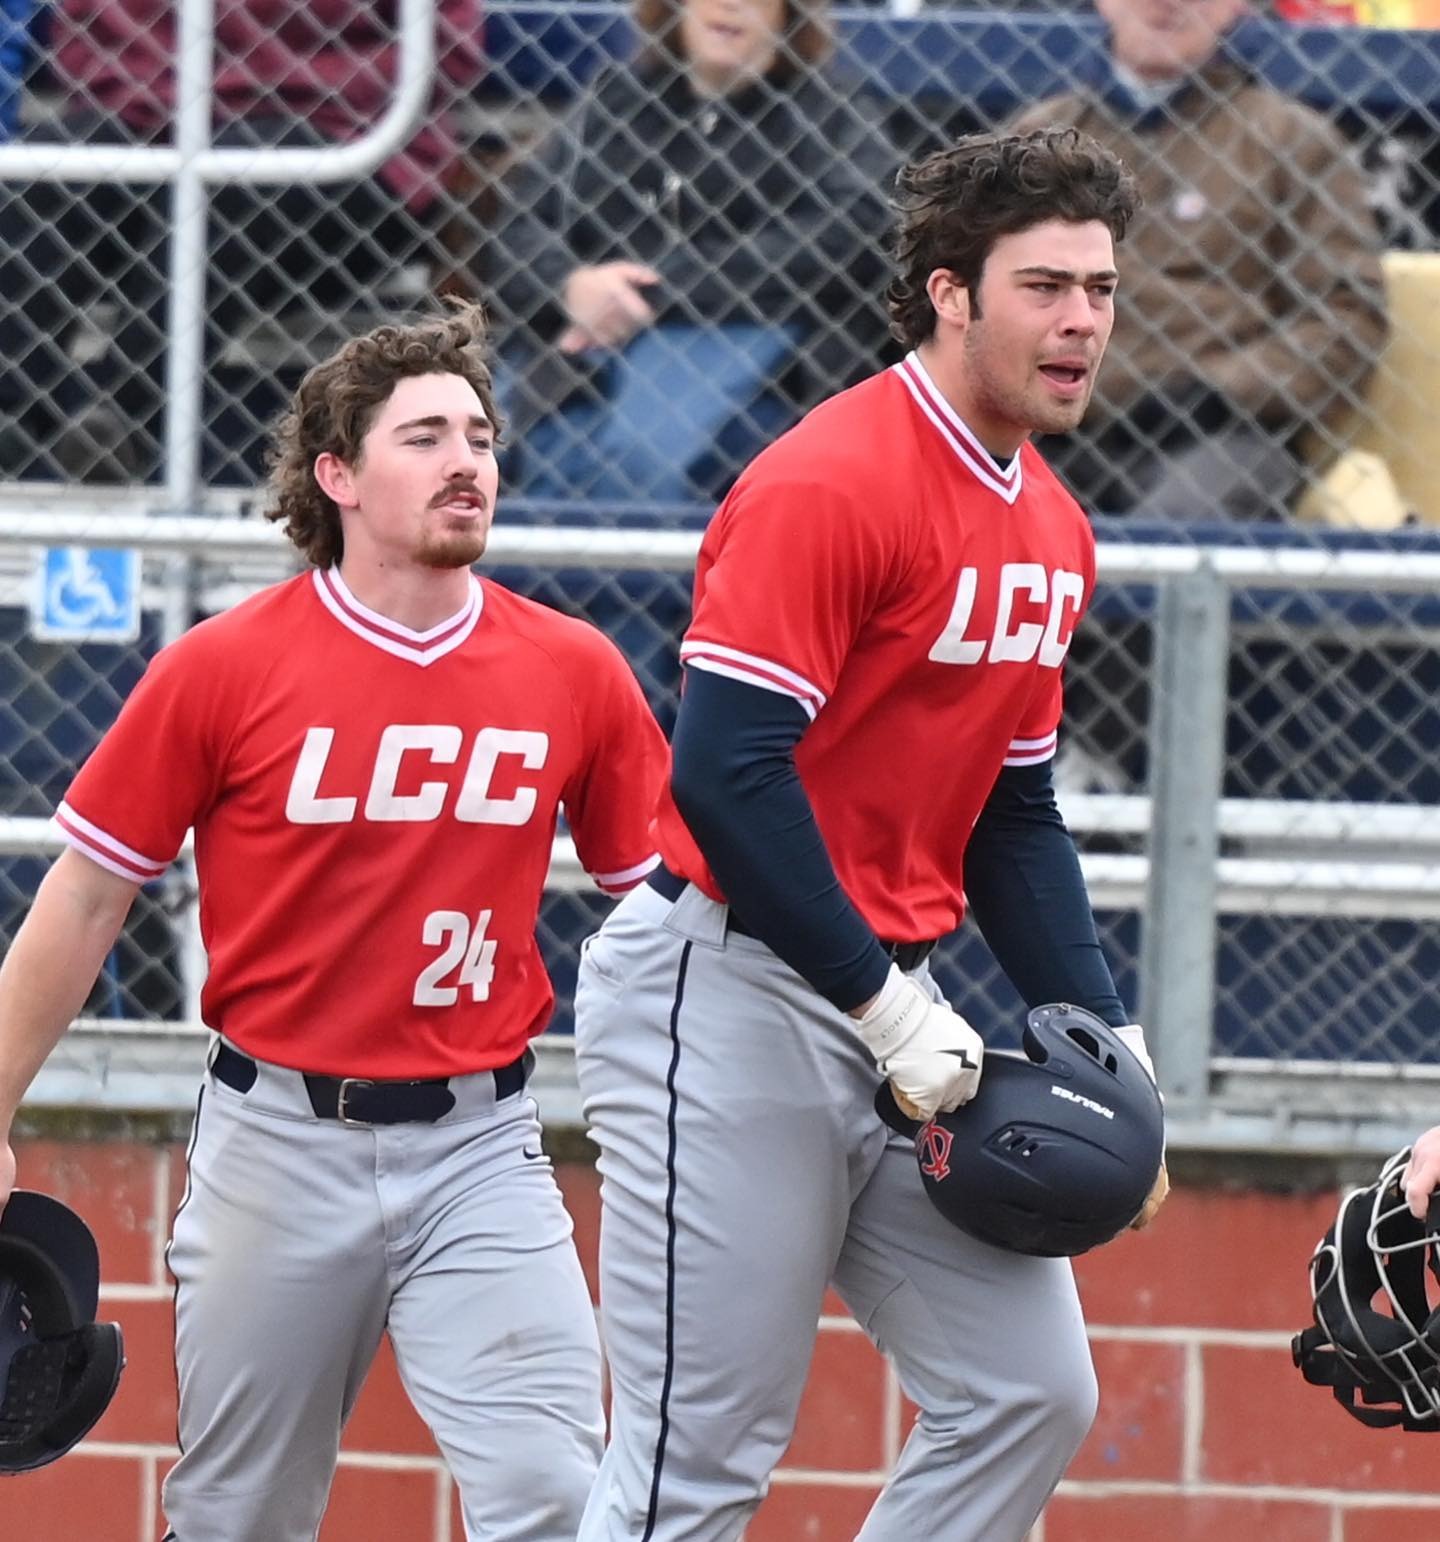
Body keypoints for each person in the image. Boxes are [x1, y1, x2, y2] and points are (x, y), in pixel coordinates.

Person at [570, 128, 1166, 1542]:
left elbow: (1015, 812)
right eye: (1044, 285)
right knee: (693, 1463)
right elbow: (725, 776)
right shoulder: (833, 477)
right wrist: (882, 1002)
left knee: (1030, 1391)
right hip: (728, 992)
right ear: (951, 292)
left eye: (1100, 286)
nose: (1081, 318)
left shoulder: (1056, 528)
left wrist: (1101, 1023)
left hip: (898, 1014)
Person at [0, 304, 669, 1542]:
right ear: (338, 475)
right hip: (275, 1143)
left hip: (484, 1143)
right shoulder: (225, 663)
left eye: (480, 434)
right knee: (238, 1516)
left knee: (558, 1502)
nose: (468, 459)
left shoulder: (576, 669)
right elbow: (87, 897)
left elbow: (665, 909)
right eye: (424, 436)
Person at [0, 0, 484, 484]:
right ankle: (13, 414)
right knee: (45, 178)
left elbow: (449, 46)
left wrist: (273, 84)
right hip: (152, 116)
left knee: (226, 194)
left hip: (340, 135)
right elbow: (87, 30)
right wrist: (174, 100)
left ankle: (117, 419)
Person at [488, 0, 896, 505]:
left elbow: (853, 232)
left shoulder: (830, 111)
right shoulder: (617, 100)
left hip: (748, 329)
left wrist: (655, 289)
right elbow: (518, 225)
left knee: (637, 462)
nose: (730, 6)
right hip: (595, 330)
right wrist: (571, 287)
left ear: (789, 14)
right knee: (523, 451)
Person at [1008, 0, 1387, 522]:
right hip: (1055, 425)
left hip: (1221, 437)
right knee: (995, 515)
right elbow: (982, 293)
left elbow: (1347, 314)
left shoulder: (1294, 142)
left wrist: (1218, 392)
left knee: (1180, 524)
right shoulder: (1035, 140)